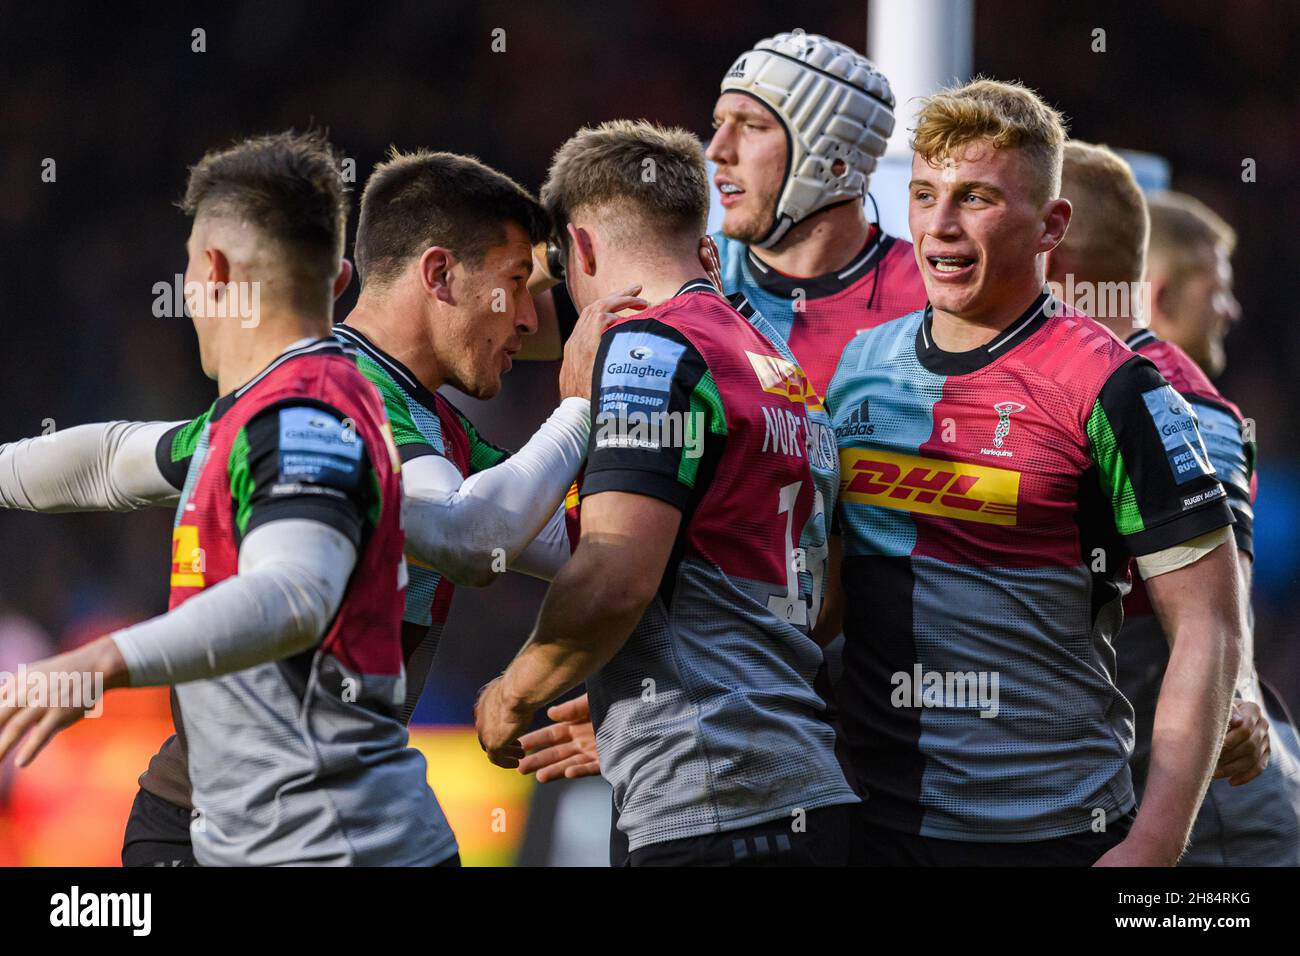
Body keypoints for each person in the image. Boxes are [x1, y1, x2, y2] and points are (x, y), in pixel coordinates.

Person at [820, 79, 1242, 866]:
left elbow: (1210, 625)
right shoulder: (860, 368)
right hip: (874, 824)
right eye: (924, 194)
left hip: (1051, 834)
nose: (939, 224)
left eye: (975, 197)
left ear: (1051, 224)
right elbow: (830, 596)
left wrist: (1151, 848)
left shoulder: (1113, 387)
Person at [0, 130, 449, 866]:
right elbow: (107, 462)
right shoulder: (252, 418)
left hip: (336, 849)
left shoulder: (306, 414)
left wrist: (101, 661)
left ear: (210, 268)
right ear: (339, 279)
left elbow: (293, 594)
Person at [474, 119, 860, 866]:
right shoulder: (779, 365)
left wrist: (508, 698)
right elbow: (827, 594)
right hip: (810, 791)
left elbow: (615, 576)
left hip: (712, 806)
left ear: (579, 247)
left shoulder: (646, 346)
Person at [1047, 145, 1300, 865]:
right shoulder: (1075, 384)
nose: (1233, 307)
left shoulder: (1180, 401)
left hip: (1212, 807)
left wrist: (1240, 694)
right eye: (1216, 287)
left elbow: (1226, 592)